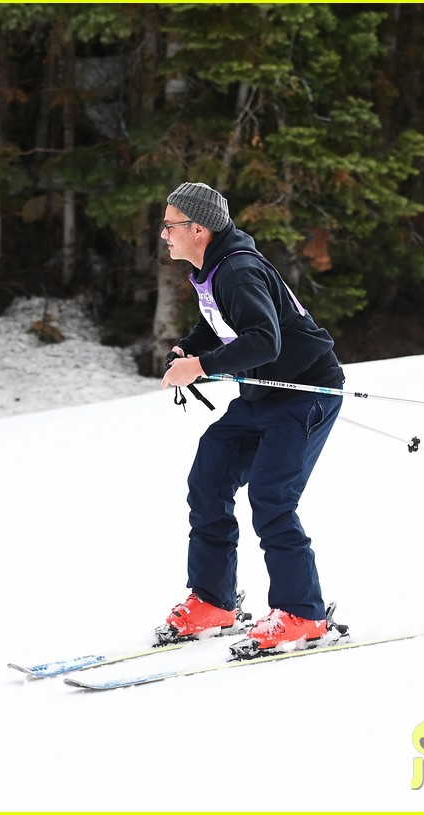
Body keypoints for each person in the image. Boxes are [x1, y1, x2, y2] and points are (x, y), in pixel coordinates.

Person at [156, 181, 344, 655]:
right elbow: (215, 319)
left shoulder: (236, 269)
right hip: (261, 395)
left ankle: (303, 614)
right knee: (209, 479)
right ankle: (214, 602)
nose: (163, 234)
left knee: (271, 497)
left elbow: (265, 341)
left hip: (305, 393)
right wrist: (191, 347)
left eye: (170, 225)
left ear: (198, 229)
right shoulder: (211, 268)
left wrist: (198, 367)